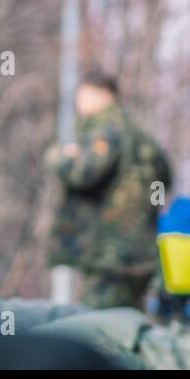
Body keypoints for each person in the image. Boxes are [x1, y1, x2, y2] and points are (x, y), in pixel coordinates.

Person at [47, 70, 172, 310]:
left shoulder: (107, 131)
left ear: (101, 95)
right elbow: (167, 177)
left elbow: (84, 173)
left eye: (82, 96)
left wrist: (58, 156)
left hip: (110, 255)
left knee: (96, 333)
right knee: (126, 331)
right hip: (141, 254)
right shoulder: (142, 137)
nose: (79, 103)